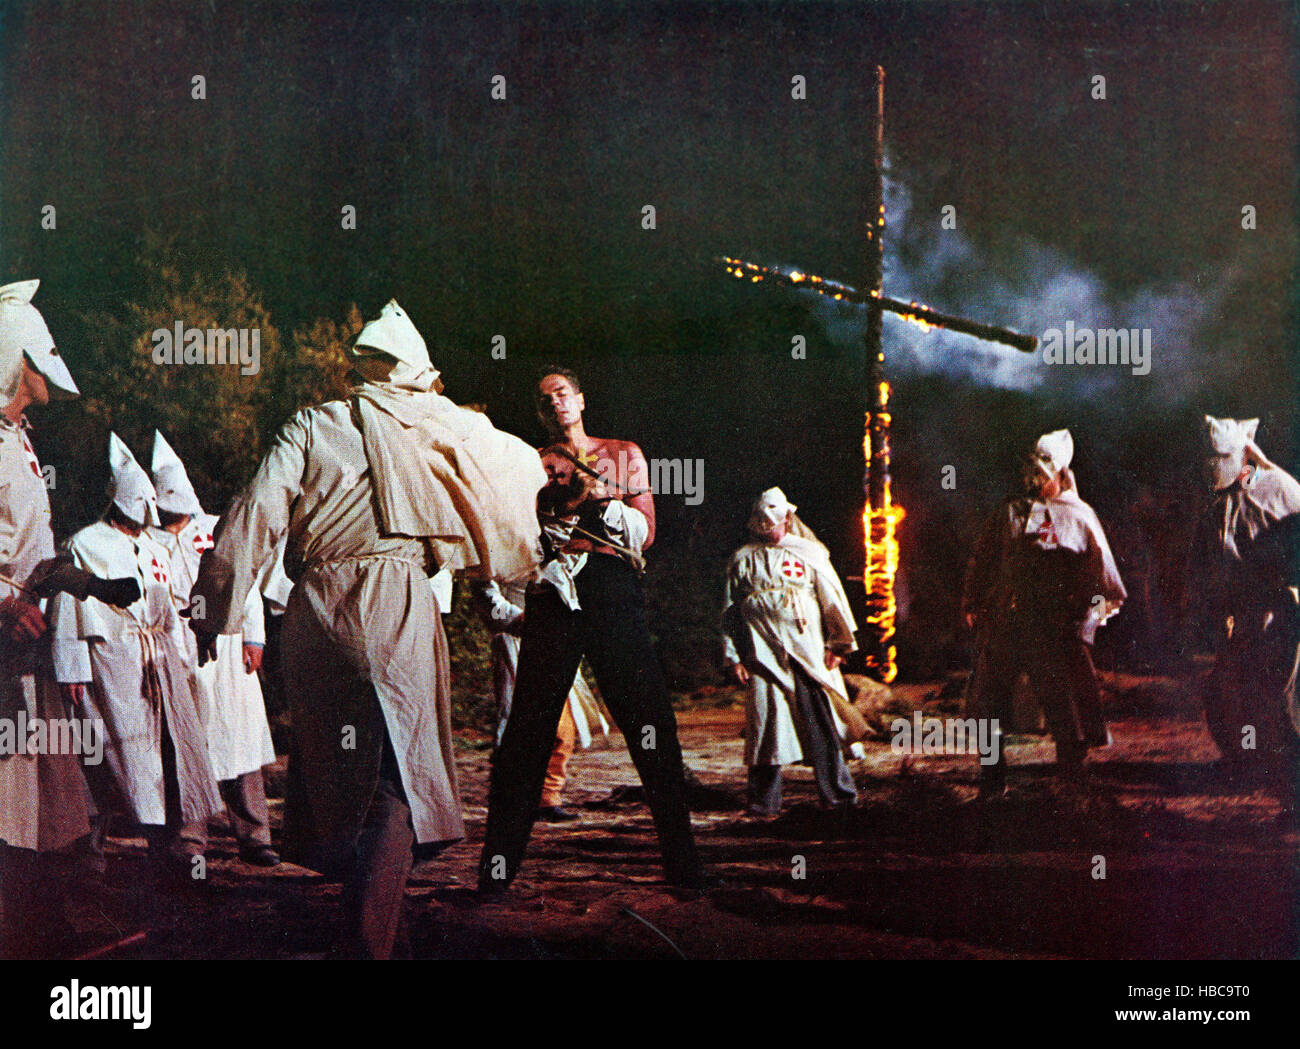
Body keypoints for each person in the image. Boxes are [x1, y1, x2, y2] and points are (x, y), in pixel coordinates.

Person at [191, 300, 545, 959]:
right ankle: (367, 942)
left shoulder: (313, 422)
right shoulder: (441, 424)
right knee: (398, 780)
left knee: (342, 772)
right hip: (397, 603)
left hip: (318, 610)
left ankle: (379, 921)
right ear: (415, 371)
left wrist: (214, 607)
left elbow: (254, 515)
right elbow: (524, 476)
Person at [477, 366, 704, 893]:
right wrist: (559, 510)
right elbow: (516, 534)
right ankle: (495, 873)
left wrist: (606, 499)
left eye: (561, 393)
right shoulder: (528, 463)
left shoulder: (623, 452)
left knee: (650, 723)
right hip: (554, 589)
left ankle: (685, 867)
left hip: (611, 586)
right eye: (543, 399)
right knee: (527, 731)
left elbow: (644, 535)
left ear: (580, 399)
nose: (554, 404)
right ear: (538, 413)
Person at [0, 279, 139, 955]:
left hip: (24, 654)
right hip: (4, 643)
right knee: (9, 795)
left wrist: (95, 585)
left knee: (46, 795)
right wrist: (3, 602)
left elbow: (34, 555)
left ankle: (43, 928)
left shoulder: (17, 438)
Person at [49, 433, 222, 881]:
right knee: (106, 752)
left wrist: (182, 656)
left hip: (155, 664)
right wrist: (72, 665)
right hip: (110, 662)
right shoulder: (85, 543)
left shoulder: (153, 548)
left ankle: (166, 848)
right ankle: (89, 851)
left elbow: (166, 613)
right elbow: (68, 605)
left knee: (163, 755)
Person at [962, 429, 1126, 796]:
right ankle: (992, 783)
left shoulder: (1080, 517)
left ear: (1060, 475)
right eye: (1030, 474)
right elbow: (983, 558)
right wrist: (973, 601)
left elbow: (1106, 580)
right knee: (991, 704)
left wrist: (1086, 623)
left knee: (1063, 706)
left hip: (1051, 630)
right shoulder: (1009, 511)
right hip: (1006, 621)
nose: (1033, 482)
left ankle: (1073, 783)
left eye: (1041, 475)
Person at [148, 430, 279, 866]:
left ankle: (255, 833)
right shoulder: (147, 542)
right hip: (178, 647)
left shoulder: (215, 528)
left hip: (226, 646)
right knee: (187, 743)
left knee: (239, 738)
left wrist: (254, 637)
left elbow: (247, 583)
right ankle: (191, 836)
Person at [722, 488, 866, 816]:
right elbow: (729, 610)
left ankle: (839, 797)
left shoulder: (809, 553)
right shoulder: (742, 558)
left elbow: (831, 597)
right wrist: (734, 654)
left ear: (787, 518)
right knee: (766, 724)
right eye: (762, 522)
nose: (767, 528)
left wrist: (837, 643)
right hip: (761, 651)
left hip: (806, 648)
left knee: (820, 721)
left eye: (773, 522)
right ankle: (762, 803)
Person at [1193, 416, 1300, 788]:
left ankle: (1282, 769)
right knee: (1229, 691)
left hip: (1286, 611)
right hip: (1245, 615)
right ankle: (1245, 760)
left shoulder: (1280, 489)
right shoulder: (1218, 507)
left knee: (1276, 693)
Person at [477, 573, 609, 822]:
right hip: (517, 640)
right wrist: (519, 619)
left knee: (563, 726)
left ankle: (548, 798)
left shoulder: (554, 546)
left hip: (553, 641)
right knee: (518, 724)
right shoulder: (495, 548)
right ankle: (511, 800)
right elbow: (485, 594)